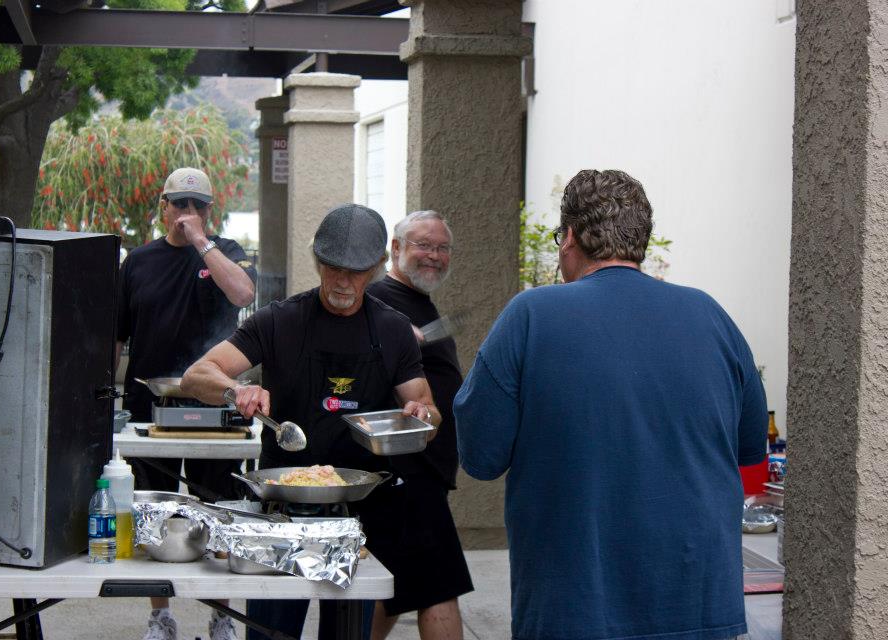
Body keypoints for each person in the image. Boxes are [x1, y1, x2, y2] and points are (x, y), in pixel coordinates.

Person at [454, 169, 768, 640]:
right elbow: (750, 450)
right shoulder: (712, 316)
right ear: (641, 239)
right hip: (698, 603)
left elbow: (480, 457)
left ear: (571, 237)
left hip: (575, 607)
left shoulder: (531, 315)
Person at [180, 203, 441, 640]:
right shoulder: (281, 320)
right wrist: (235, 390)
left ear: (377, 267)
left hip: (360, 512)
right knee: (270, 633)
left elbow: (426, 409)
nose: (342, 281)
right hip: (282, 510)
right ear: (318, 261)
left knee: (346, 633)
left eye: (356, 271)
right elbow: (196, 375)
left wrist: (421, 416)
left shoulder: (393, 330)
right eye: (333, 267)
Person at [116, 167, 255, 640]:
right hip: (149, 399)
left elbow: (243, 294)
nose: (188, 214)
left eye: (199, 206)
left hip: (213, 401)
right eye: (180, 204)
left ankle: (222, 615)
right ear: (163, 206)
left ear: (211, 211)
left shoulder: (225, 253)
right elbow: (116, 335)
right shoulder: (137, 261)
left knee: (219, 510)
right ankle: (161, 615)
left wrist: (202, 243)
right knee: (154, 513)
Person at [365, 210, 473, 640]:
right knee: (438, 586)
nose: (435, 255)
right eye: (424, 245)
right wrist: (385, 331)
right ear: (396, 249)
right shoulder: (378, 300)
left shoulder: (416, 301)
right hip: (406, 469)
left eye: (442, 247)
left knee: (393, 585)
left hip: (420, 466)